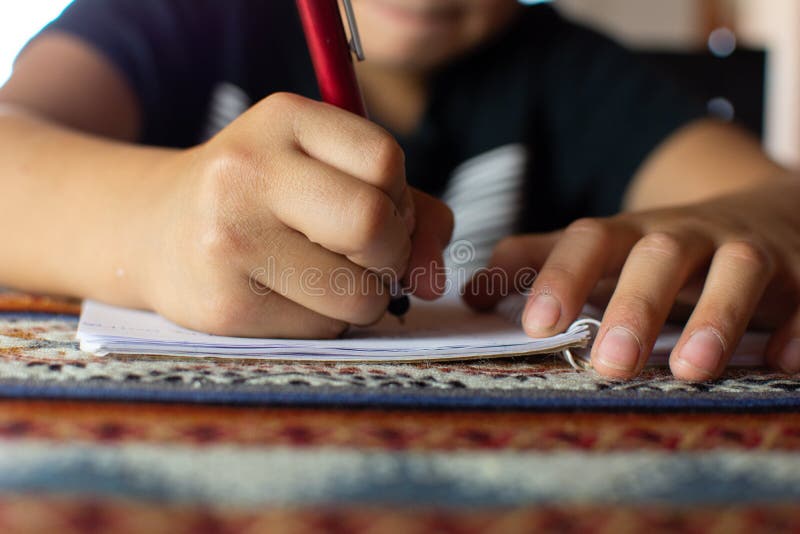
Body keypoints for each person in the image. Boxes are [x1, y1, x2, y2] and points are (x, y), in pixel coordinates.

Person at [0, 0, 797, 382]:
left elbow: (774, 196)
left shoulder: (570, 71)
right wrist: (148, 223)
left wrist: (741, 220)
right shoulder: (174, 18)